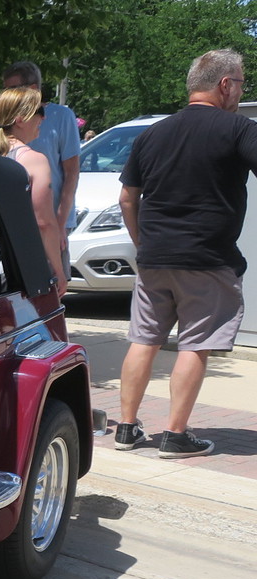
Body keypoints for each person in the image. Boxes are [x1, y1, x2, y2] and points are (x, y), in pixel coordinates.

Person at [114, 48, 257, 459]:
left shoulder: (152, 133)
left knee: (144, 339)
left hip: (155, 258)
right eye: (242, 82)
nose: (241, 90)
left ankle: (126, 427)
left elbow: (127, 197)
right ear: (225, 85)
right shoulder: (237, 129)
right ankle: (175, 435)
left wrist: (143, 243)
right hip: (208, 260)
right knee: (195, 344)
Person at [0, 87, 65, 286]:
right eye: (39, 112)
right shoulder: (33, 160)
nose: (43, 119)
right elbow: (44, 222)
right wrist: (58, 270)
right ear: (20, 119)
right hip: (9, 261)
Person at [2, 61, 81, 264]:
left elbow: (72, 172)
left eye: (13, 89)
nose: (7, 95)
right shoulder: (5, 119)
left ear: (33, 89)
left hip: (50, 220)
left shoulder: (61, 116)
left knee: (52, 285)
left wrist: (61, 223)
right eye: (5, 90)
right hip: (16, 221)